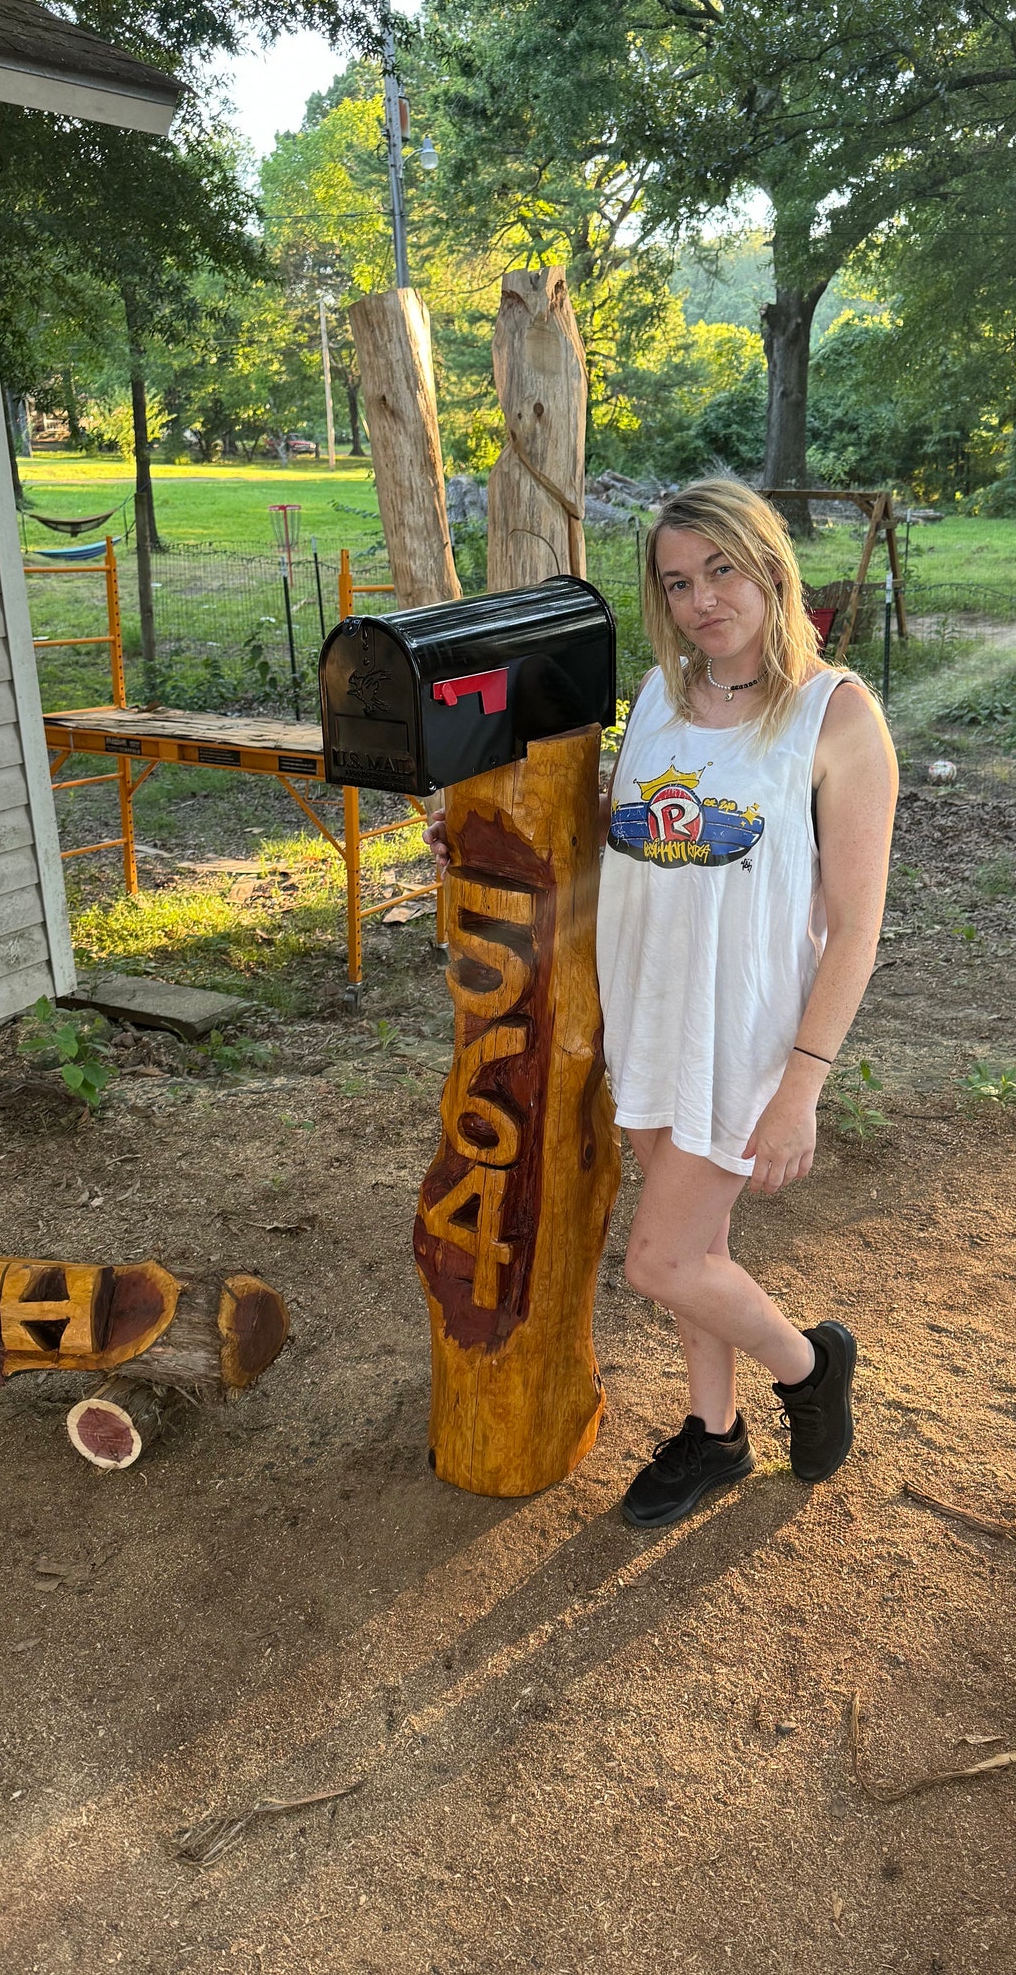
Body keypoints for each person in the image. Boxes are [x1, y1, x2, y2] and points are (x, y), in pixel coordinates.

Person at [427, 476, 897, 1529]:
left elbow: (858, 927)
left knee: (663, 1259)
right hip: (647, 1015)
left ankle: (809, 1364)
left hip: (746, 1034)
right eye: (678, 581)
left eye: (721, 569)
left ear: (771, 565)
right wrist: (488, 829)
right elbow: (626, 832)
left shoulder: (836, 715)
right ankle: (715, 1433)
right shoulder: (655, 694)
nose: (701, 600)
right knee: (698, 1258)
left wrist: (800, 1088)